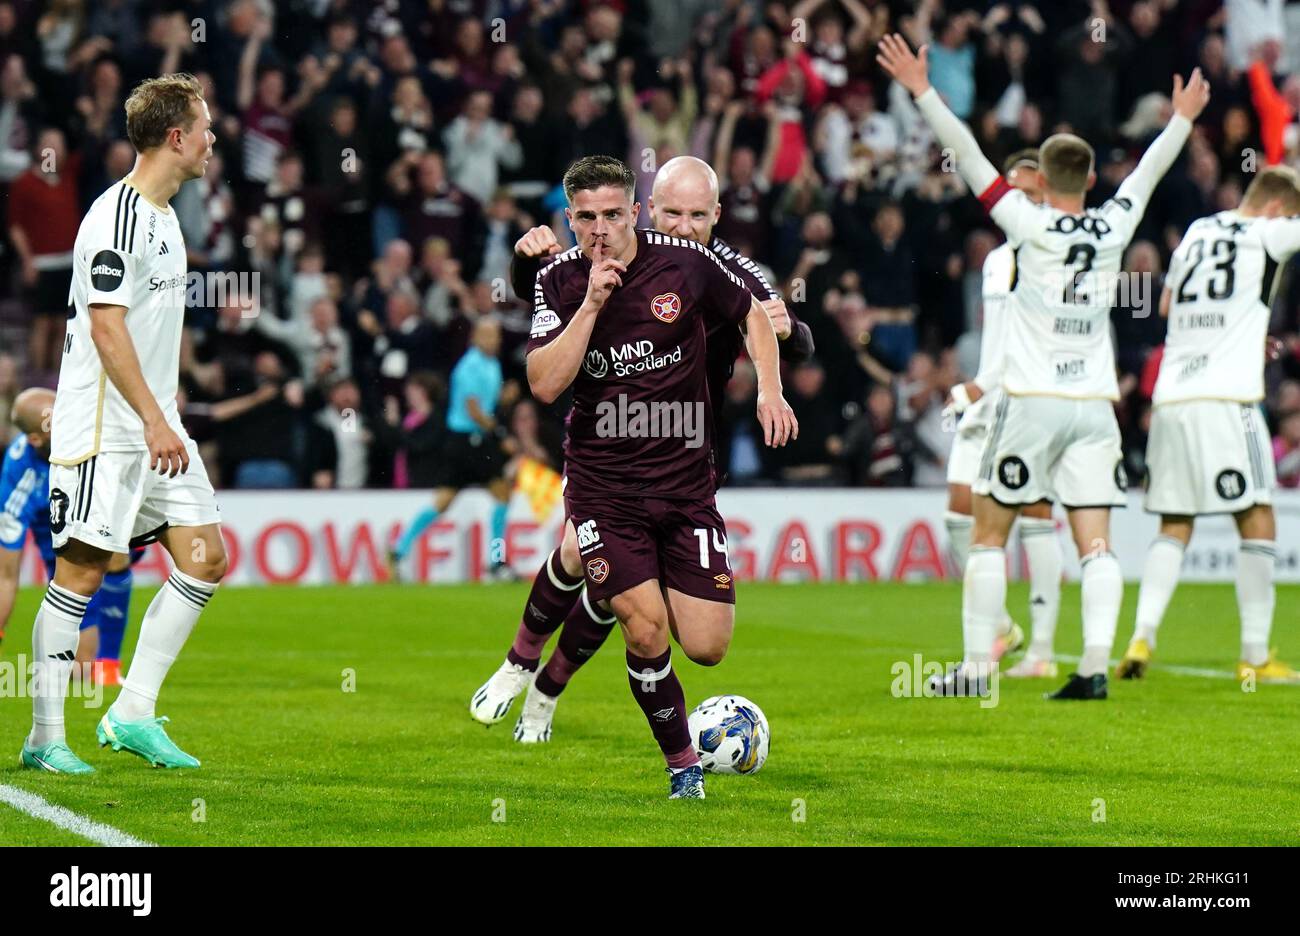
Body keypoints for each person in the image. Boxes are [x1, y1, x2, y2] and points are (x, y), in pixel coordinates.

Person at [877, 34, 1210, 700]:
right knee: (1097, 543)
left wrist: (921, 90)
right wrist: (1182, 119)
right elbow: (1145, 173)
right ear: (1089, 180)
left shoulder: (1024, 224)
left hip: (1030, 401)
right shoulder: (1116, 224)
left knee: (989, 536)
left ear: (1046, 179)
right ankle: (1090, 668)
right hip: (1093, 405)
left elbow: (968, 157)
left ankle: (976, 670)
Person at [479, 155, 796, 799]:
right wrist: (591, 305)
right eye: (586, 219)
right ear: (571, 220)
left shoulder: (689, 262)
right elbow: (542, 383)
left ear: (634, 213)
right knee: (642, 621)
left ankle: (542, 680)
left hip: (685, 481)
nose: (599, 231)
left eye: (611, 216)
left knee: (705, 646)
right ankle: (680, 767)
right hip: (602, 485)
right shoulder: (563, 280)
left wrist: (772, 387)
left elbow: (760, 313)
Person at [23, 73, 227, 775]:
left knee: (205, 557)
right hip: (109, 427)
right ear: (175, 136)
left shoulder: (168, 218)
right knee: (79, 575)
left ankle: (133, 711)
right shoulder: (115, 219)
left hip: (155, 423)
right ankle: (46, 736)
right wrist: (151, 419)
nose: (212, 138)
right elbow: (108, 330)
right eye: (204, 127)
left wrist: (165, 411)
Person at [1116, 167, 1300, 683]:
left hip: (1173, 396)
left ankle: (1141, 636)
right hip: (1227, 399)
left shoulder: (1197, 231)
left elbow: (1168, 304)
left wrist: (1239, 331)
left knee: (1174, 523)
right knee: (1257, 517)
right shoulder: (1271, 230)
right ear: (1276, 208)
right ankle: (1255, 655)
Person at [942, 149, 1064, 679]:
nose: (1019, 199)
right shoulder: (996, 260)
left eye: (1030, 191)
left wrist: (979, 385)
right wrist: (978, 387)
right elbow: (1000, 342)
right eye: (1012, 191)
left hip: (1032, 399)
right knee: (957, 517)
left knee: (1035, 516)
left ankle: (1040, 651)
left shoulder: (1058, 253)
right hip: (986, 398)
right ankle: (1000, 628)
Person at [0, 388, 136, 684]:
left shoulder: (93, 439)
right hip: (69, 570)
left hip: (112, 535)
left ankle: (110, 666)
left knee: (115, 549)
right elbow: (5, 575)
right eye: (56, 423)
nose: (69, 424)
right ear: (35, 439)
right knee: (82, 670)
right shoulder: (20, 475)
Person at [387, 318, 513, 580]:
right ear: (475, 338)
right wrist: (500, 434)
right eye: (489, 335)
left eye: (496, 336)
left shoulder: (491, 363)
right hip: (467, 441)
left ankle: (399, 549)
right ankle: (496, 561)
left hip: (472, 440)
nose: (495, 341)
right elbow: (473, 409)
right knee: (500, 494)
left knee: (448, 499)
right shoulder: (469, 367)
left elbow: (488, 401)